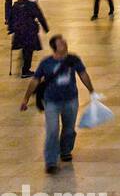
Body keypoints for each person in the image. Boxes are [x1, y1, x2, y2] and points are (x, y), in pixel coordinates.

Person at [20, 35, 95, 174]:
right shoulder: (46, 63)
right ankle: (51, 162)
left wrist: (91, 90)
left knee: (69, 129)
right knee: (52, 130)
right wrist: (25, 99)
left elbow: (83, 74)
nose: (65, 44)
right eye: (61, 43)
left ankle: (65, 151)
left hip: (70, 100)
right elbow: (35, 81)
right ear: (55, 47)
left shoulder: (73, 59)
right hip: (51, 101)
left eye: (65, 42)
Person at [9, 0, 49, 77]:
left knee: (24, 48)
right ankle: (25, 71)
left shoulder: (16, 5)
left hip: (19, 31)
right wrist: (45, 28)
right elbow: (40, 16)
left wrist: (11, 29)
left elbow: (11, 18)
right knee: (29, 50)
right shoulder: (32, 5)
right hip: (29, 30)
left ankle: (25, 68)